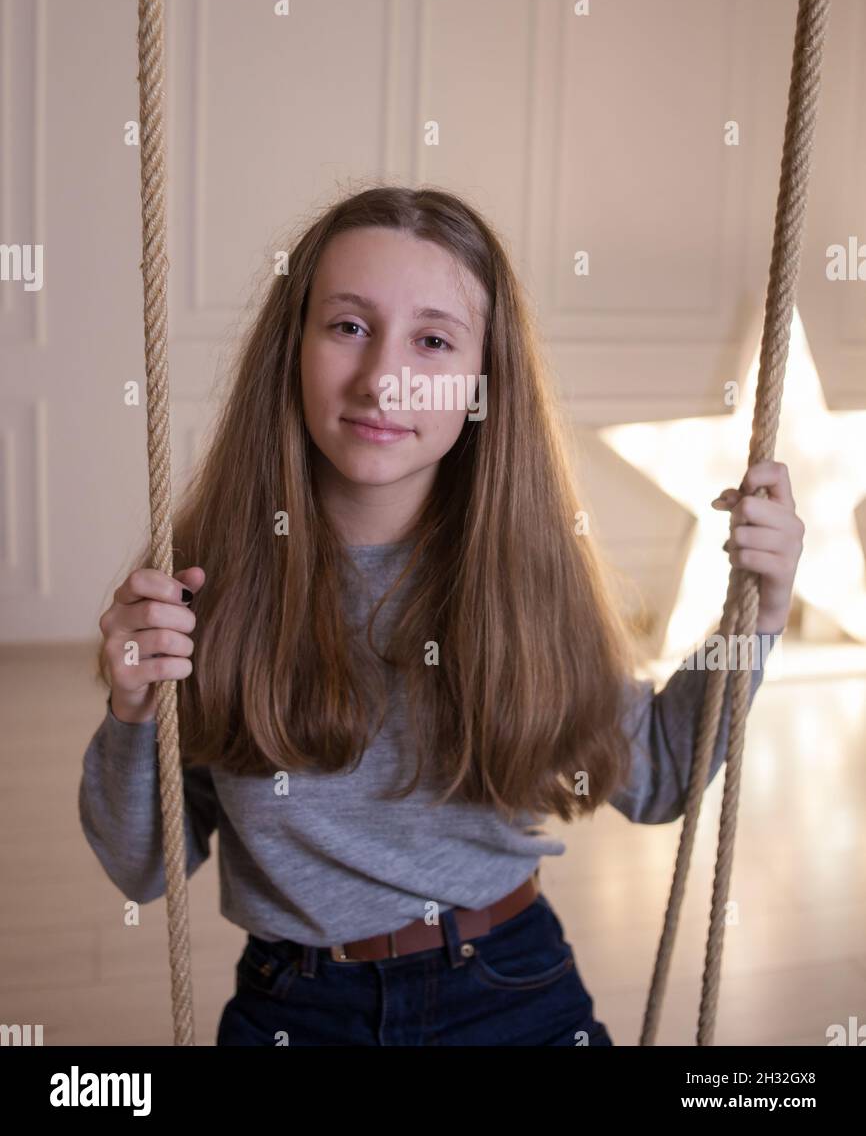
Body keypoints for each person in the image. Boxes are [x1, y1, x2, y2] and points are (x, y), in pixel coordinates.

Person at [79, 184, 801, 1046]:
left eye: (432, 341)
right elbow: (143, 867)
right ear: (292, 348)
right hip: (295, 1008)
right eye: (348, 326)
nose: (384, 379)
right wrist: (131, 714)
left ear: (480, 381)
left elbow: (659, 777)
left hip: (508, 988)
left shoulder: (521, 581)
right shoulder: (211, 585)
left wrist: (754, 620)